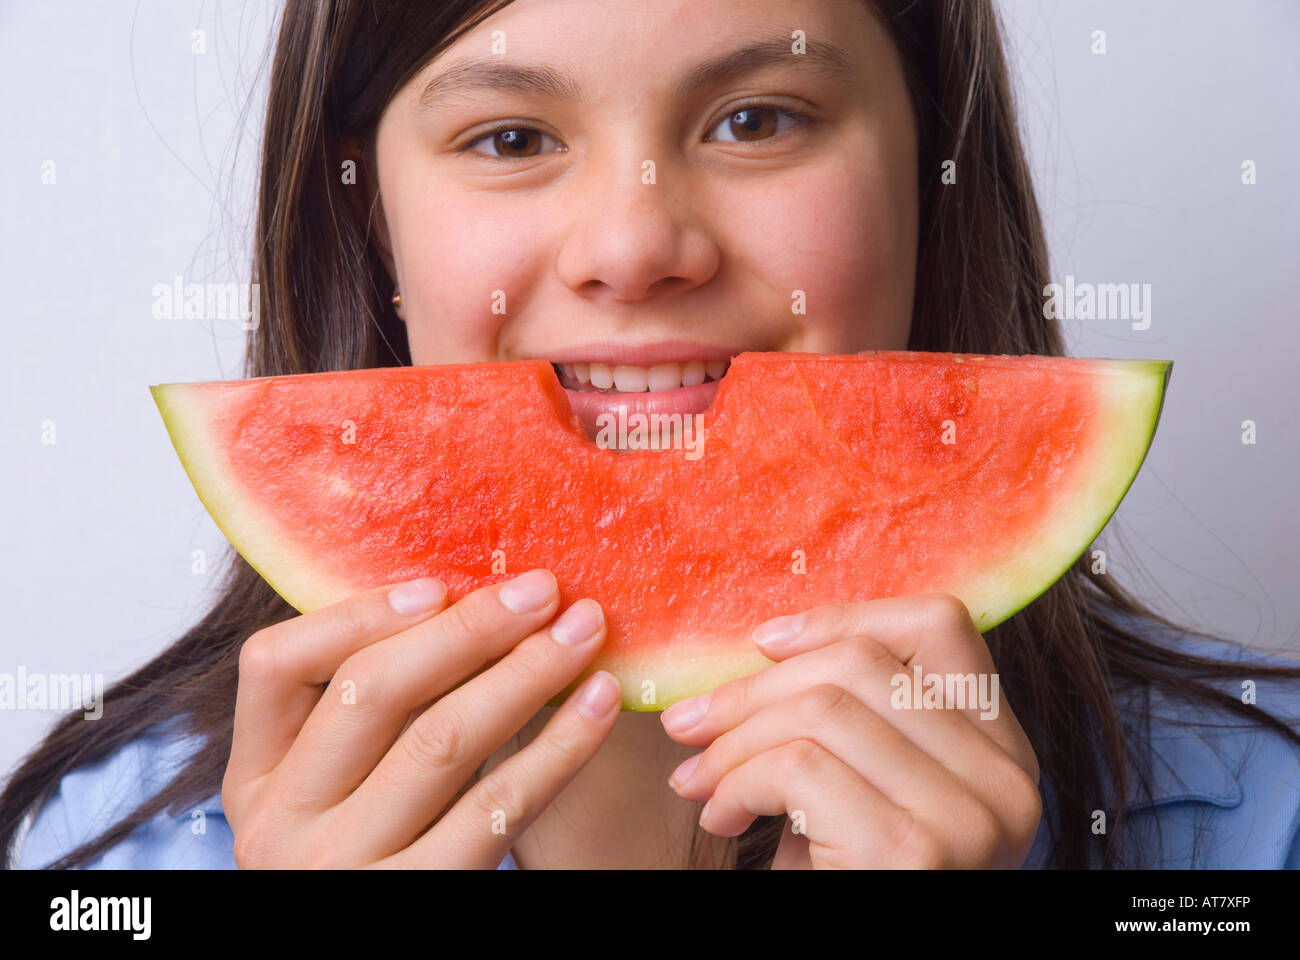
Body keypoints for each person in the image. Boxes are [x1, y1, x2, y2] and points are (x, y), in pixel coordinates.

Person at [5, 0, 1299, 870]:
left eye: (758, 119)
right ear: (366, 209)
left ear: (930, 162)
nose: (633, 247)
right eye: (509, 137)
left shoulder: (1260, 816)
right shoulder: (107, 849)